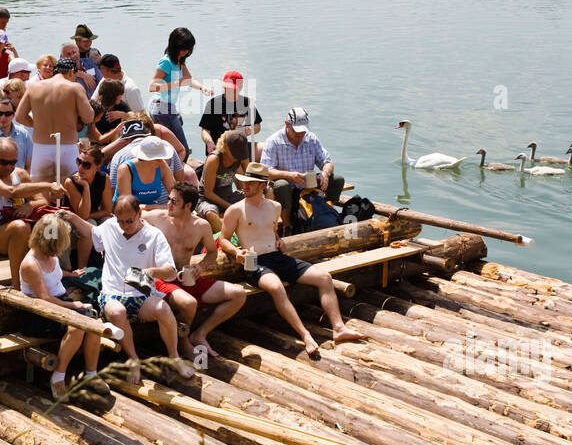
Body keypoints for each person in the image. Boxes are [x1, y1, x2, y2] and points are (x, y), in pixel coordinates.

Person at [219, 163, 363, 355]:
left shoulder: (275, 207)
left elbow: (271, 231)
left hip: (278, 257)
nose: (244, 186)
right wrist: (236, 252)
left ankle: (339, 328)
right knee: (277, 287)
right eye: (244, 182)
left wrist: (279, 240)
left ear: (262, 185)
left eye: (250, 183)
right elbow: (223, 239)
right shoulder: (235, 210)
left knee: (324, 278)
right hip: (255, 263)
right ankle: (305, 335)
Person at [62, 197, 187, 385]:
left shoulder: (154, 234)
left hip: (141, 293)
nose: (124, 226)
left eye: (129, 221)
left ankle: (174, 356)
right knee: (117, 311)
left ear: (139, 214)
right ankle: (133, 359)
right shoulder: (111, 226)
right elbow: (92, 232)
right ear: (114, 217)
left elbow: (170, 271)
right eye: (120, 221)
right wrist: (72, 216)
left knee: (163, 309)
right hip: (112, 293)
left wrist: (152, 271)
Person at [144, 182, 248, 359]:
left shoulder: (201, 226)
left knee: (239, 294)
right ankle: (184, 341)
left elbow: (213, 252)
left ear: (188, 206)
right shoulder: (156, 218)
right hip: (162, 281)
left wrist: (201, 267)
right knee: (189, 304)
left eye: (174, 202)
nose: (168, 204)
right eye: (169, 199)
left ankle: (200, 333)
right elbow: (126, 216)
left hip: (188, 278)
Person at [19, 213, 110, 400]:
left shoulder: (49, 256)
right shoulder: (30, 264)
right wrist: (73, 304)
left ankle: (91, 374)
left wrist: (71, 274)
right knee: (78, 326)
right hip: (39, 312)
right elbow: (44, 297)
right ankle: (58, 377)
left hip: (58, 303)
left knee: (94, 323)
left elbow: (56, 275)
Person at [0, 137, 63, 289]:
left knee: (52, 224)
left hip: (9, 229)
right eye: (3, 162)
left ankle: (56, 279)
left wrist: (31, 205)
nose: (9, 167)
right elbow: (11, 191)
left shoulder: (20, 174)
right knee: (20, 227)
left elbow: (43, 201)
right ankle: (18, 288)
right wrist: (48, 185)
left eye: (13, 162)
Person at [261, 107, 345, 225]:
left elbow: (327, 162)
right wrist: (290, 175)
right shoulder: (273, 141)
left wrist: (325, 173)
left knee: (337, 180)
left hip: (308, 183)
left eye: (303, 132)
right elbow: (266, 172)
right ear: (287, 124)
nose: (300, 135)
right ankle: (288, 225)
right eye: (296, 132)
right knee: (281, 185)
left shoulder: (311, 138)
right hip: (287, 186)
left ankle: (326, 213)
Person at [15, 57, 93, 182]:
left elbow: (19, 116)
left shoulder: (34, 87)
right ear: (71, 72)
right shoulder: (75, 88)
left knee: (41, 189)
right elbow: (88, 117)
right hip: (67, 145)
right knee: (70, 187)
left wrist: (37, 125)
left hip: (41, 145)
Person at [148, 27, 211, 158]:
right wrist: (176, 84)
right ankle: (174, 176)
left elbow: (188, 79)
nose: (186, 52)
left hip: (170, 107)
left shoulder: (180, 62)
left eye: (189, 49)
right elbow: (152, 86)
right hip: (161, 108)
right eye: (184, 49)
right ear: (175, 46)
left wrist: (202, 88)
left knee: (175, 149)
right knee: (182, 150)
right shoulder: (166, 62)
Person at [60, 141, 113, 267]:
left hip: (90, 216)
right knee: (90, 226)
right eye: (79, 162)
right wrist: (85, 187)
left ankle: (109, 266)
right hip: (70, 220)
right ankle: (81, 270)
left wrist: (92, 215)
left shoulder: (104, 178)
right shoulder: (71, 182)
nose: (81, 168)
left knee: (110, 223)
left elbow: (108, 210)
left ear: (97, 166)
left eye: (86, 165)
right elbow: (82, 215)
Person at [198, 70, 262, 156]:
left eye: (233, 88)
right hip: (219, 147)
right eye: (227, 87)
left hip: (240, 145)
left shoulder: (247, 102)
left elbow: (257, 125)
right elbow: (205, 130)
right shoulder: (213, 103)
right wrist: (209, 142)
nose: (229, 90)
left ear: (240, 87)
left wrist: (251, 129)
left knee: (262, 148)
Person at [200, 129, 250, 223]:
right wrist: (229, 206)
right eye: (235, 154)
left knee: (265, 190)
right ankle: (227, 236)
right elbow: (208, 193)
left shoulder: (242, 156)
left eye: (241, 154)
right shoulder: (214, 160)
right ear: (226, 147)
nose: (238, 158)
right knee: (210, 213)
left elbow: (249, 178)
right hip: (208, 200)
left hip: (229, 196)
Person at [114, 135, 175, 209]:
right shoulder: (126, 169)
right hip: (127, 213)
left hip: (152, 210)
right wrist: (157, 207)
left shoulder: (162, 165)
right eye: (158, 158)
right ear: (146, 158)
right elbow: (127, 205)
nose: (161, 160)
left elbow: (175, 192)